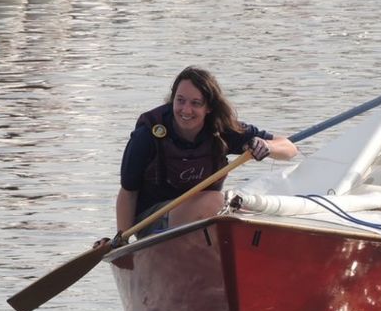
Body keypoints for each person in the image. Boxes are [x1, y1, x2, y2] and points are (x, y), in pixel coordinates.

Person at [113, 65, 299, 243]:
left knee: (240, 209)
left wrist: (267, 146)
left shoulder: (222, 130)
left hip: (202, 216)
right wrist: (122, 242)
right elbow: (128, 193)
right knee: (215, 202)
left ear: (208, 107)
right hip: (151, 221)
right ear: (172, 100)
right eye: (180, 100)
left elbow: (289, 149)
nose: (186, 110)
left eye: (196, 103)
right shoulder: (147, 135)